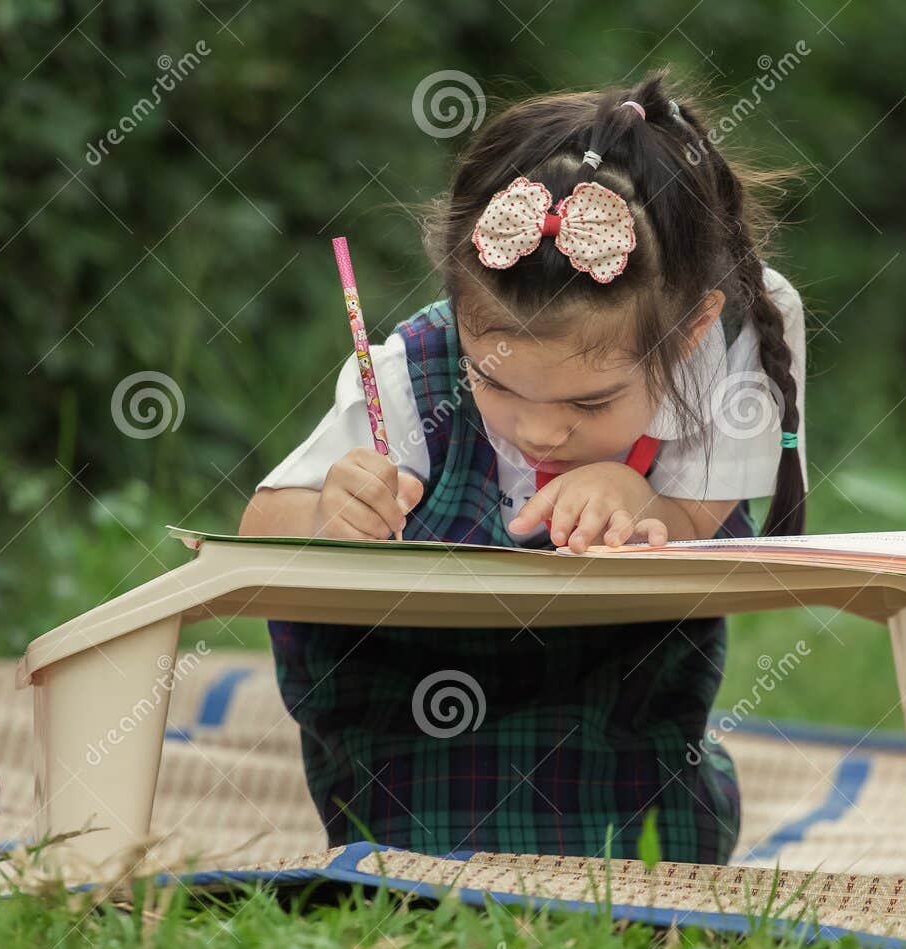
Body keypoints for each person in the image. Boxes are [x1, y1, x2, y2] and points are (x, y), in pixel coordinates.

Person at [239, 71, 808, 864]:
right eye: (495, 381)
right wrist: (326, 516)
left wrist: (643, 499)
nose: (539, 429)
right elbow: (256, 533)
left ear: (689, 333)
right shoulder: (411, 372)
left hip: (623, 737)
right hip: (413, 731)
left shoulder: (739, 333)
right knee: (422, 867)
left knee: (648, 866)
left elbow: (702, 522)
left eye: (590, 403)